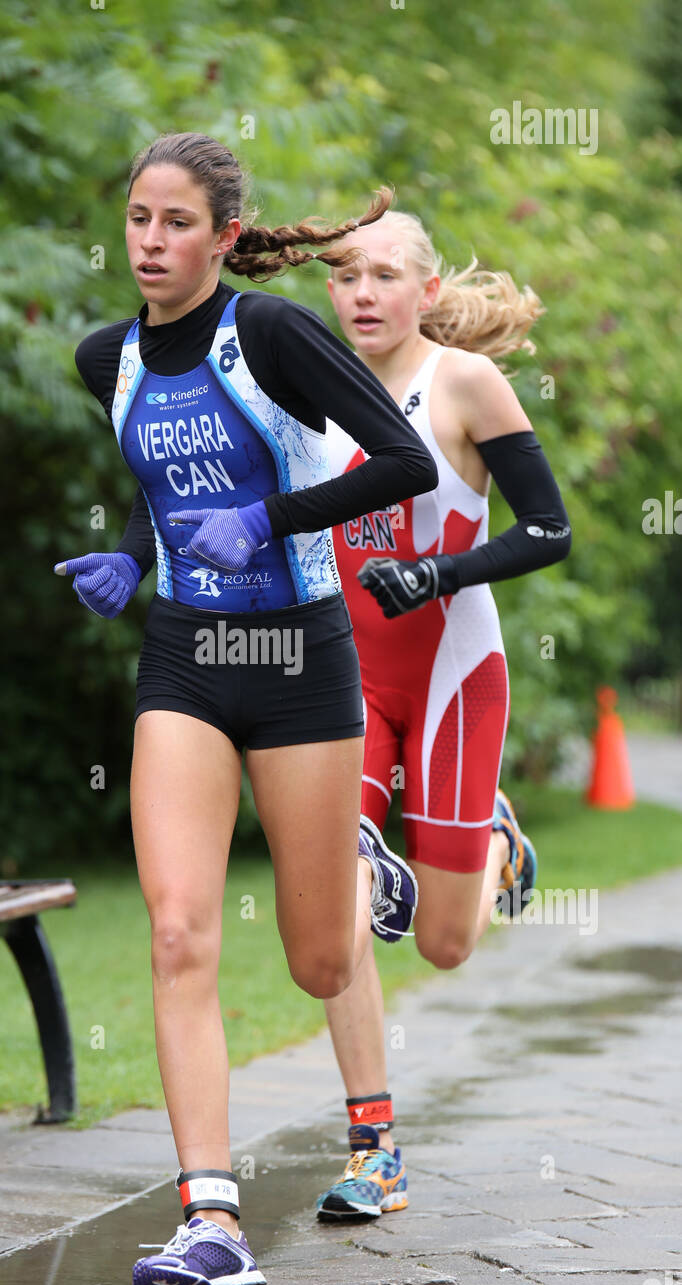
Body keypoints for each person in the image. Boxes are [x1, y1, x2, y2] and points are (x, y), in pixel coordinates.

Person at [54, 132, 439, 1285]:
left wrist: (268, 521)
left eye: (175, 223)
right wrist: (132, 556)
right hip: (185, 661)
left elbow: (402, 461)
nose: (150, 242)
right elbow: (156, 481)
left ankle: (360, 876)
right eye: (136, 220)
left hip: (297, 659)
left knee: (320, 957)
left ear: (223, 237)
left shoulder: (267, 334)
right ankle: (210, 1221)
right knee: (177, 932)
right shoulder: (103, 357)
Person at [314, 209, 572, 1220]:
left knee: (442, 945)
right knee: (336, 901)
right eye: (344, 274)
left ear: (425, 292)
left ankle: (489, 839)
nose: (362, 292)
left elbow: (548, 529)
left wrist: (439, 571)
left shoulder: (462, 385)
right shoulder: (307, 391)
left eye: (384, 275)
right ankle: (373, 1150)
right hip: (345, 685)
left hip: (452, 675)